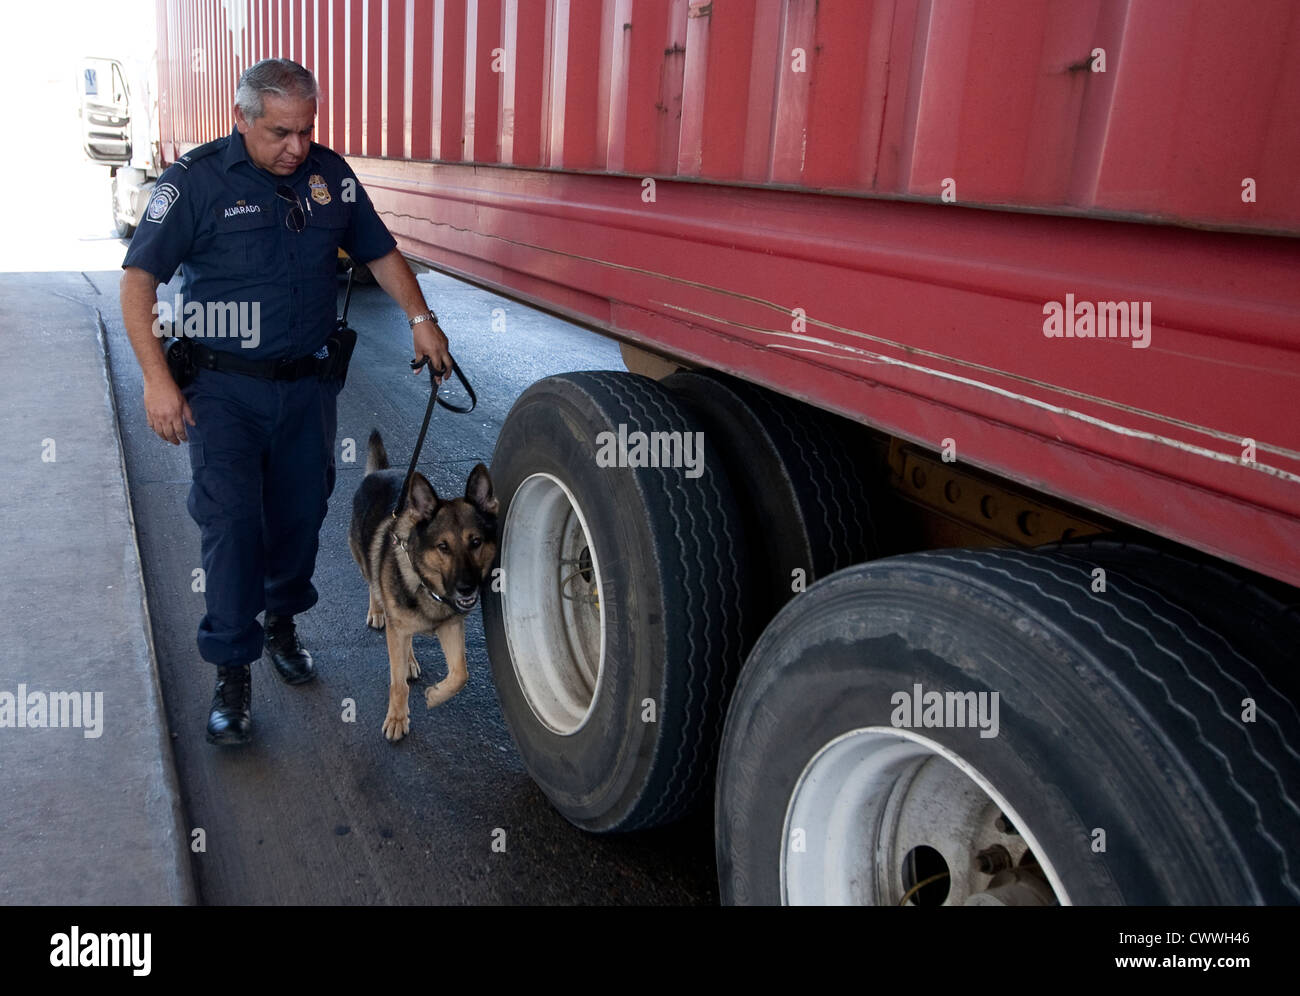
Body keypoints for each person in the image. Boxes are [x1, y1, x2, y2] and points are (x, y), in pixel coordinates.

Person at [120, 58, 453, 745]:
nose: (296, 147)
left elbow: (382, 253)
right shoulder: (197, 182)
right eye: (280, 132)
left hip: (307, 390)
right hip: (222, 392)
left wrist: (422, 319)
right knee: (233, 524)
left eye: (306, 130)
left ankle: (281, 624)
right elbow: (138, 281)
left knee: (300, 519)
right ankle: (232, 673)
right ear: (240, 118)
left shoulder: (331, 177)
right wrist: (157, 380)